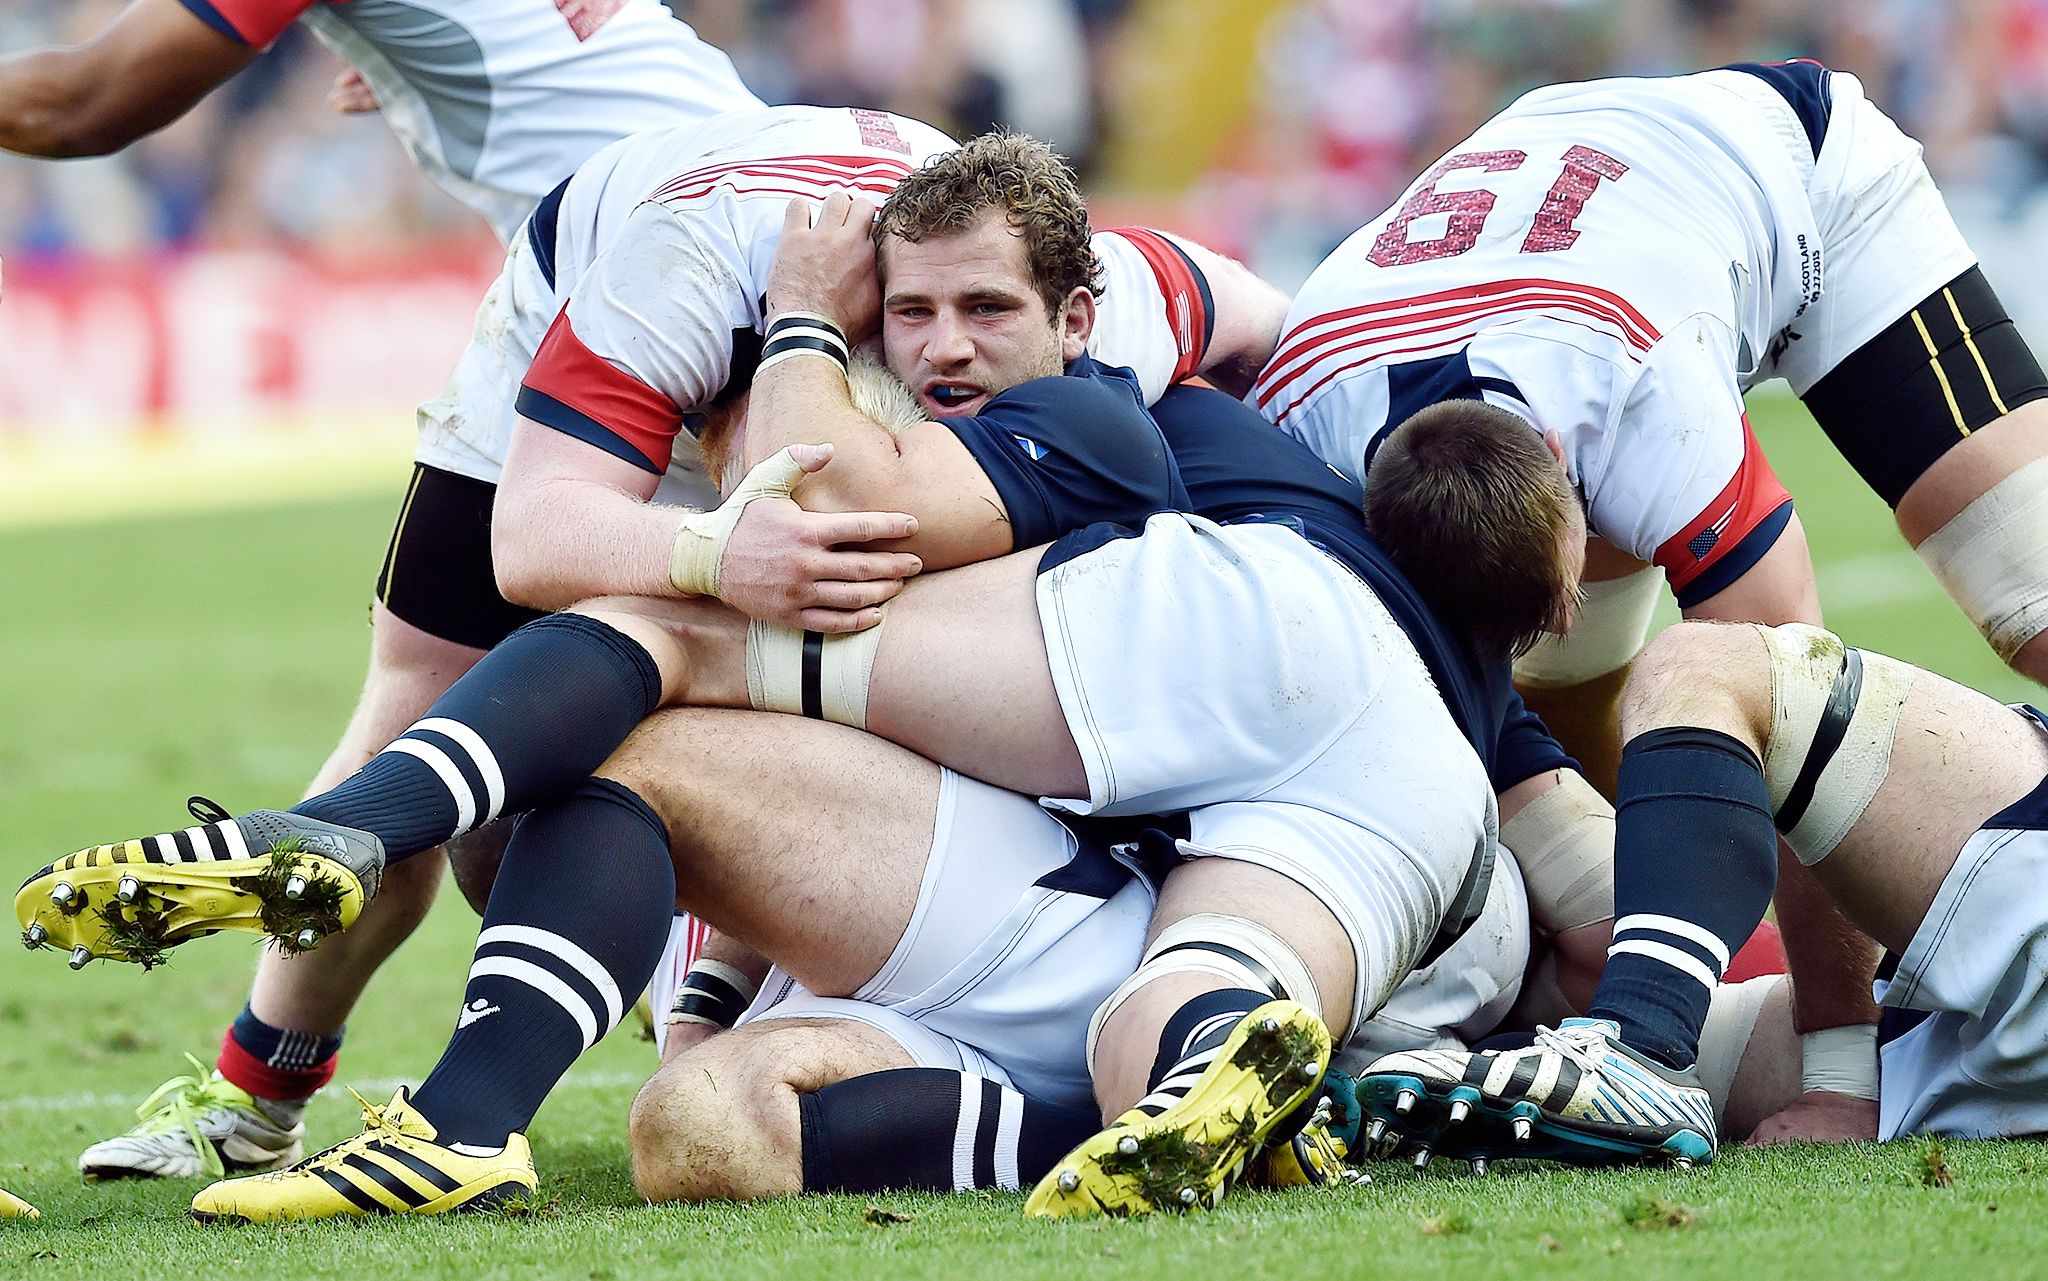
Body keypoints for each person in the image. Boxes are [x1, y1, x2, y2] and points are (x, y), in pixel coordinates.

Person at [0, 0, 764, 1182]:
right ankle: (726, 1026)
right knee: (700, 706)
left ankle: (264, 1097)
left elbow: (78, 102)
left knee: (427, 717)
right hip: (759, 218)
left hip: (634, 266)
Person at [1256, 60, 2048, 1136]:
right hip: (1553, 254)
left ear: (1567, 470)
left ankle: (1770, 1025)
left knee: (2026, 599)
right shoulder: (1299, 444)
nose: (1577, 608)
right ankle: (1680, 998)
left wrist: (1834, 1074)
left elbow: (1803, 720)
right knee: (1575, 725)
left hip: (1783, 172)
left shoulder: (1641, 399)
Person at [1361, 614, 2048, 1159]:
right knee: (1477, 1082)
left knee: (1706, 671)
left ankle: (1642, 1049)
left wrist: (1839, 1081)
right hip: (1970, 1055)